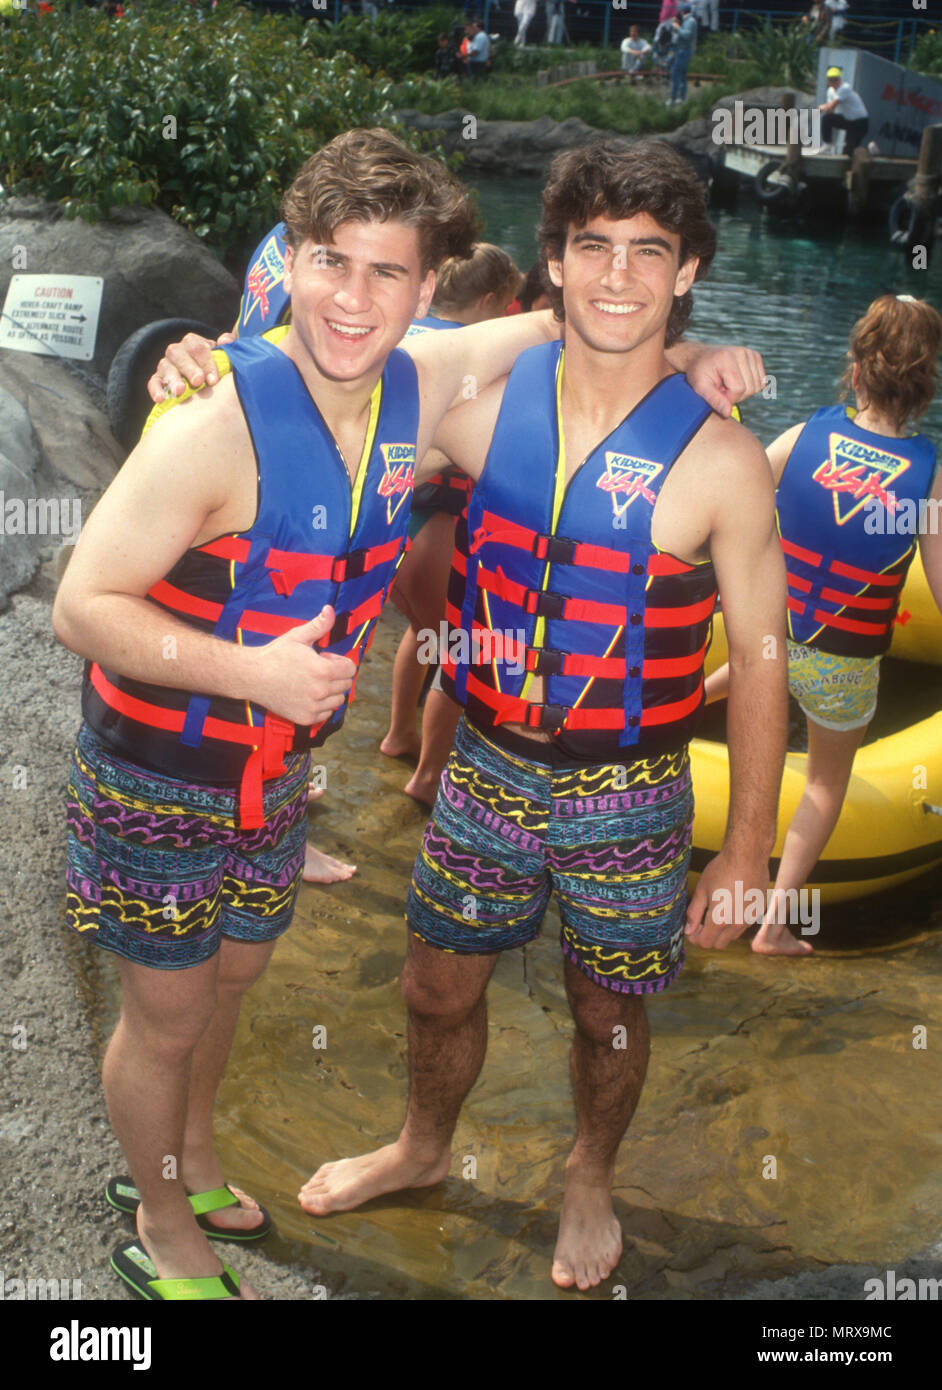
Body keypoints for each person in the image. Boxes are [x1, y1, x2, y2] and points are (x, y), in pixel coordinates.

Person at [53, 128, 590, 1302]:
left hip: (279, 773)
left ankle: (190, 1160)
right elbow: (79, 604)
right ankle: (159, 1219)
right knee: (165, 1009)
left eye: (387, 271)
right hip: (163, 768)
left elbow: (573, 321)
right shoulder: (211, 420)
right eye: (332, 264)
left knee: (238, 975)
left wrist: (698, 358)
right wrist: (254, 675)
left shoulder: (425, 377)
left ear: (425, 285)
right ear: (288, 263)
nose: (355, 300)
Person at [296, 139, 786, 1292]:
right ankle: (422, 1145)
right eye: (594, 249)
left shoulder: (725, 464)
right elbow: (335, 385)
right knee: (434, 981)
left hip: (634, 785)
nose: (620, 277)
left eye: (649, 254)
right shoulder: (477, 414)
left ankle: (590, 1176)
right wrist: (190, 364)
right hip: (486, 765)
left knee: (604, 1009)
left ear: (690, 271)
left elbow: (763, 661)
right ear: (554, 264)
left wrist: (751, 847)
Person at [706, 295, 942, 956]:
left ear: (856, 370)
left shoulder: (803, 435)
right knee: (823, 783)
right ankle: (776, 925)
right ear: (925, 382)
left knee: (767, 664)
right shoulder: (928, 478)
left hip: (771, 638)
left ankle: (677, 703)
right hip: (843, 664)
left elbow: (741, 500)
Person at [384, 244, 523, 805]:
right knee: (459, 649)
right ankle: (429, 775)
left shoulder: (401, 336)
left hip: (386, 534)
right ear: (490, 301)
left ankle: (399, 735)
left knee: (424, 631)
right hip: (437, 525)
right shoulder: (473, 361)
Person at [818, 64, 869, 156]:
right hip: (848, 120)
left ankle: (870, 152)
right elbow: (830, 110)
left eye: (836, 79)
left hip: (860, 123)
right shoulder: (830, 91)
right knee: (827, 119)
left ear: (840, 80)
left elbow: (831, 105)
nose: (833, 82)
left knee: (848, 152)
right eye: (831, 79)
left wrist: (821, 107)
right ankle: (827, 145)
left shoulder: (845, 88)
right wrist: (825, 108)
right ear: (828, 81)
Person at [669, 3, 697, 106]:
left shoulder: (690, 21)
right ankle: (682, 98)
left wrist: (677, 27)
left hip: (683, 51)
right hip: (681, 50)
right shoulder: (686, 21)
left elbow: (686, 35)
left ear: (682, 12)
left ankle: (672, 99)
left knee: (675, 74)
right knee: (682, 75)